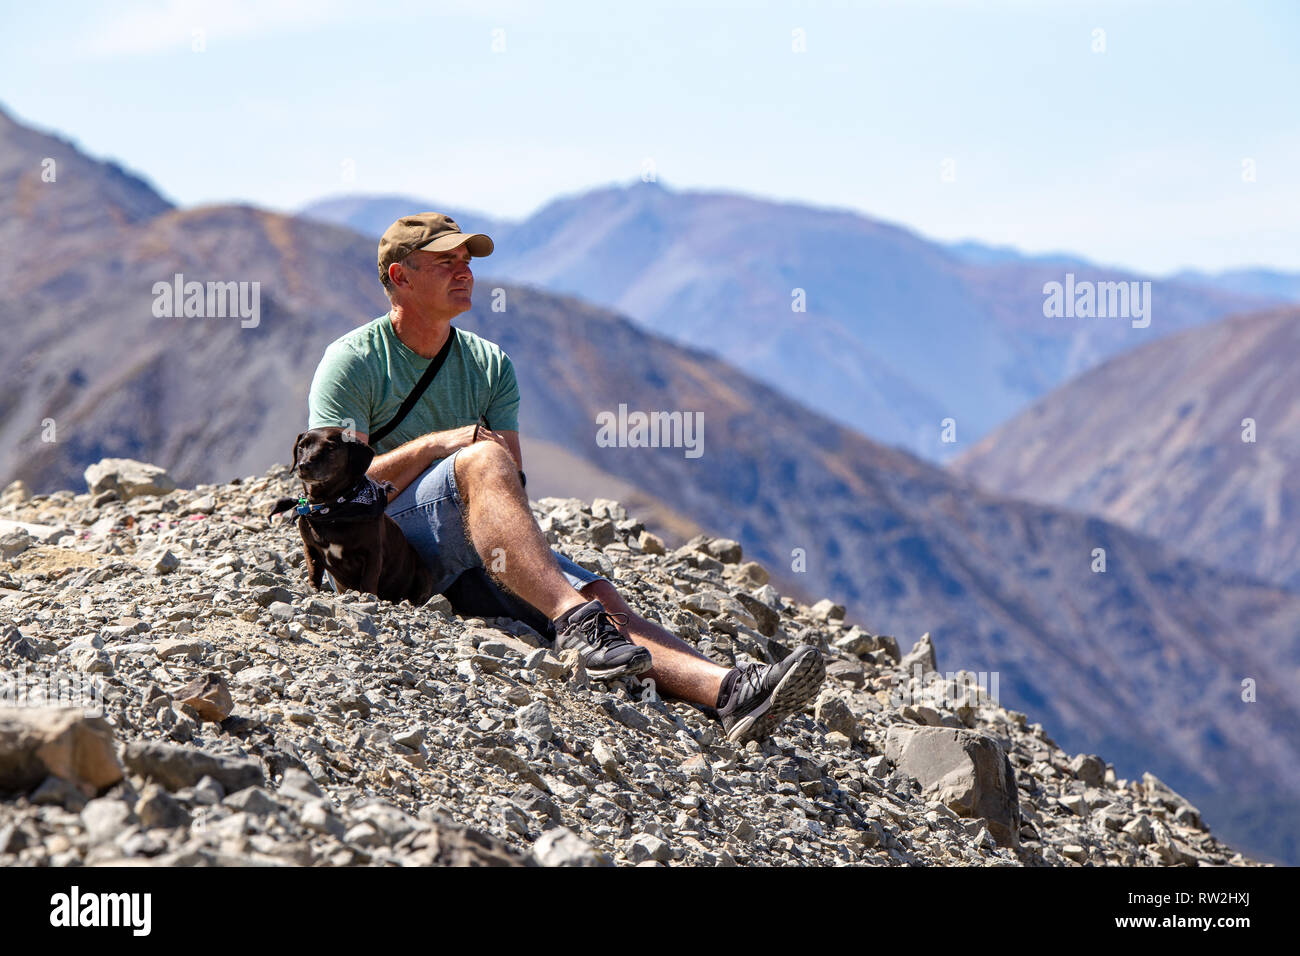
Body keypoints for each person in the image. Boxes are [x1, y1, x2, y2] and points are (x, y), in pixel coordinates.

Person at [306, 212, 824, 742]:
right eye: (446, 262)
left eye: (467, 261)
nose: (464, 272)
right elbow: (333, 491)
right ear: (400, 277)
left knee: (598, 593)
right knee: (484, 467)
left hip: (466, 536)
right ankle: (572, 622)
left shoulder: (489, 364)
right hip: (389, 547)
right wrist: (439, 446)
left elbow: (511, 480)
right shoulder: (352, 362)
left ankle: (730, 691)